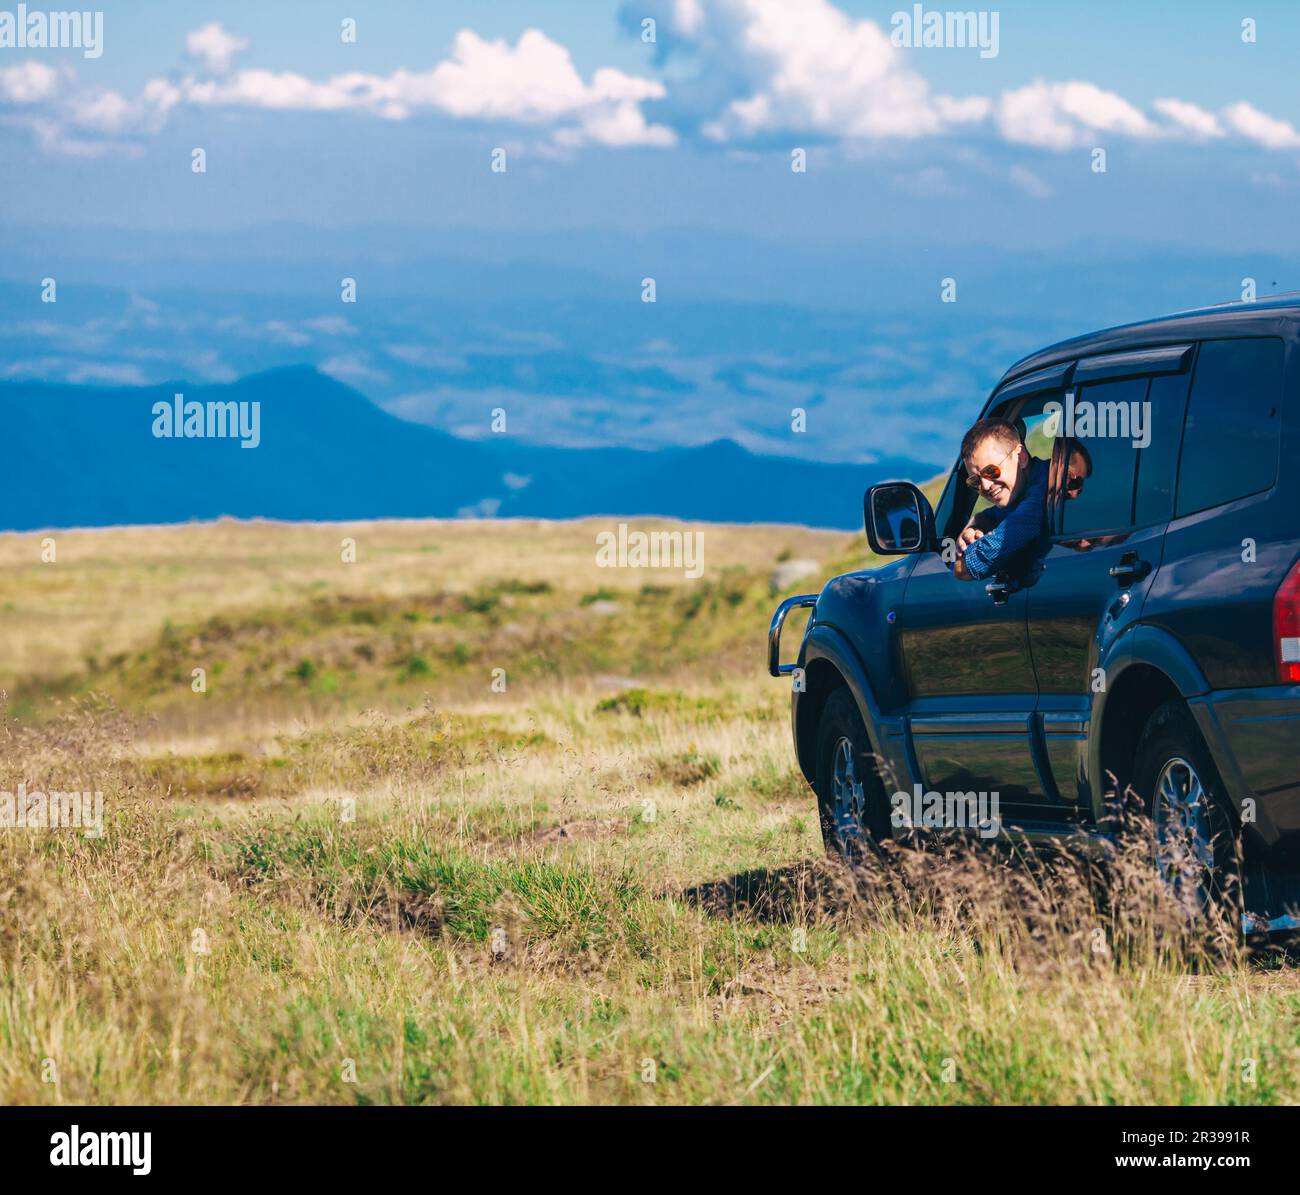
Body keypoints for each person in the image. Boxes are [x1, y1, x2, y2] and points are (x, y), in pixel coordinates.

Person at [952, 418, 1049, 581]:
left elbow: (964, 569)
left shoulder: (1043, 493)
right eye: (975, 480)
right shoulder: (1024, 489)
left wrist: (961, 556)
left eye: (991, 471)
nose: (985, 485)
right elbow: (994, 515)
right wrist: (975, 524)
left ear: (1021, 457)